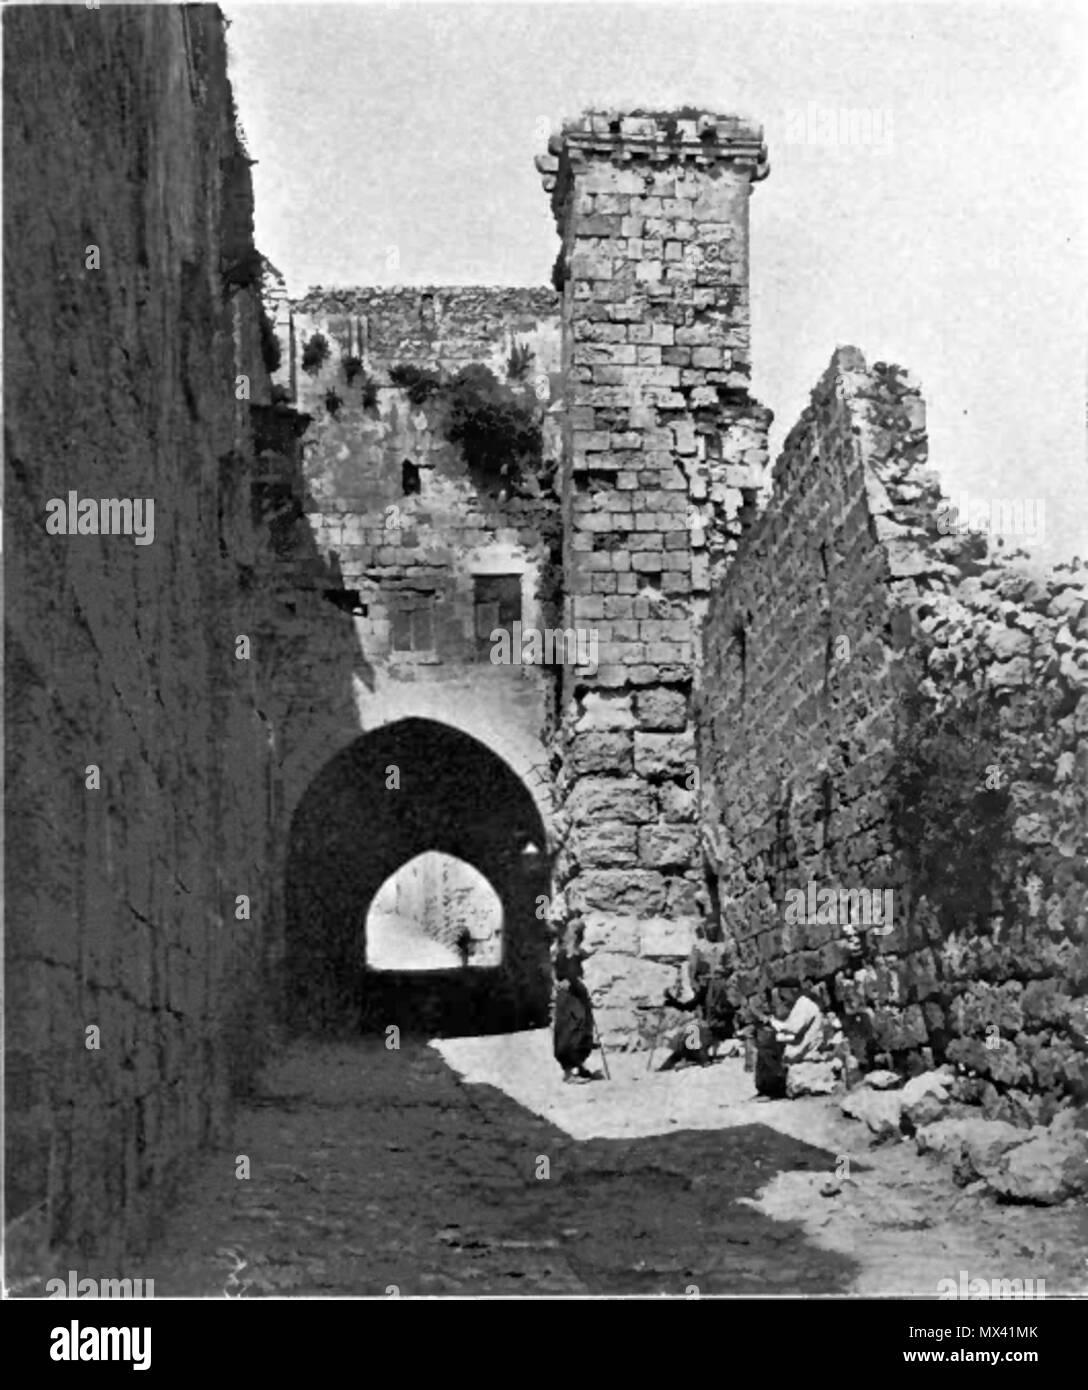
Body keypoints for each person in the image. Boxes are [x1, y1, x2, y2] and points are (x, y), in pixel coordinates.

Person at [553, 949, 602, 1083]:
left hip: (578, 994)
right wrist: (558, 981)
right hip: (568, 997)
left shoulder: (575, 952)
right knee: (569, 1031)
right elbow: (552, 970)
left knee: (583, 1029)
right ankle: (568, 1073)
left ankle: (580, 1066)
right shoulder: (561, 952)